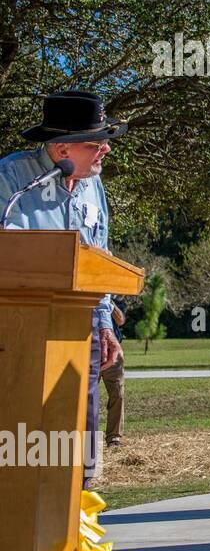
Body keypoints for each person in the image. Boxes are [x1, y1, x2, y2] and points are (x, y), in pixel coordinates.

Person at [0, 91, 127, 483]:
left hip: (82, 325)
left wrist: (105, 323)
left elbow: (99, 253)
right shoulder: (12, 179)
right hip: (22, 328)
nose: (105, 149)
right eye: (95, 143)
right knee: (25, 432)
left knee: (81, 425)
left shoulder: (93, 185)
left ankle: (79, 506)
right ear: (60, 148)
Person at [99, 302, 128, 447]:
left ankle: (114, 437)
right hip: (90, 350)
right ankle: (84, 434)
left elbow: (120, 320)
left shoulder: (115, 301)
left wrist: (109, 302)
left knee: (117, 394)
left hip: (114, 353)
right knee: (86, 395)